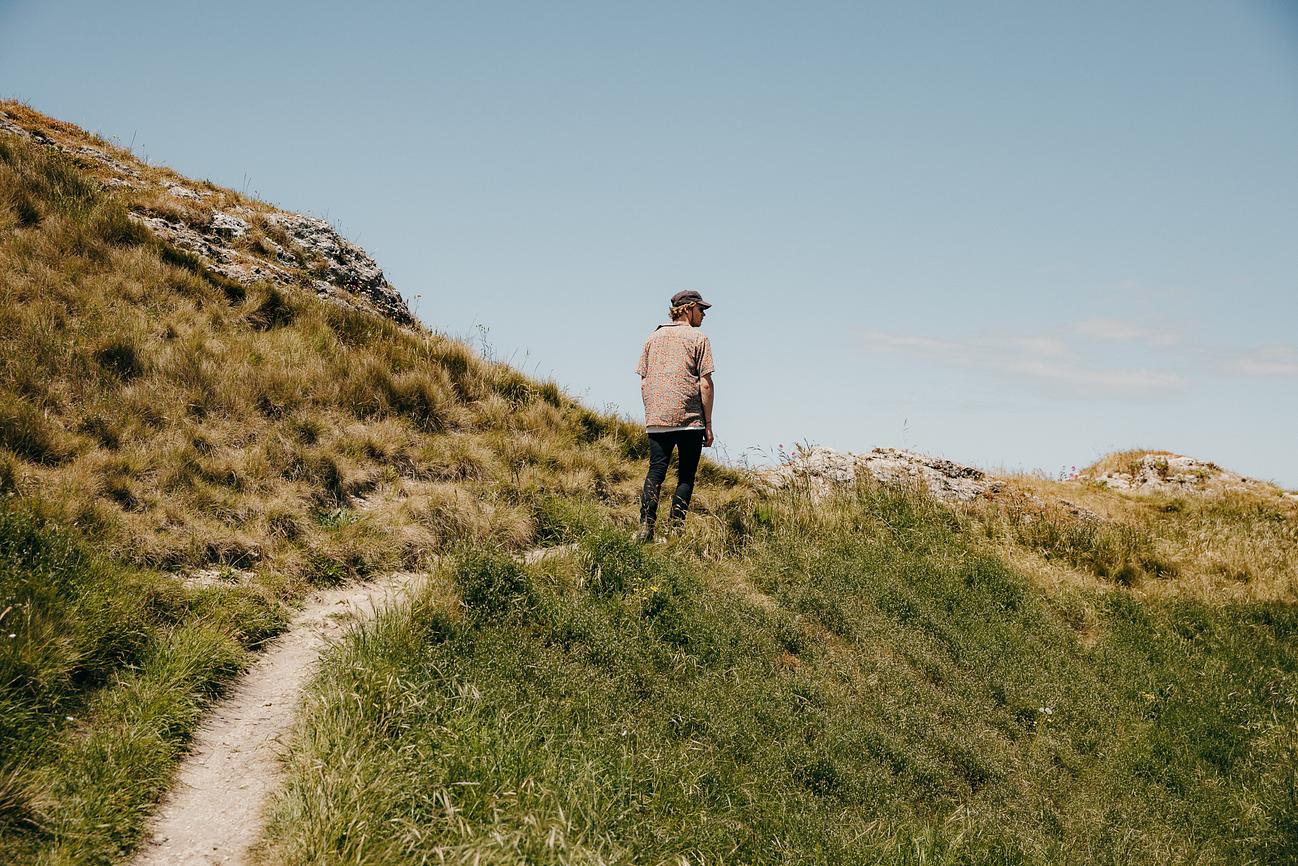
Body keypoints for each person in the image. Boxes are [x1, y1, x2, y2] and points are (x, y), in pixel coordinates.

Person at [634, 290, 715, 543]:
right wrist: (709, 424)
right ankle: (676, 531)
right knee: (686, 475)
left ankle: (645, 527)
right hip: (690, 419)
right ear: (688, 309)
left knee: (656, 471)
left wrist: (653, 411)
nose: (703, 315)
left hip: (657, 418)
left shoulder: (652, 338)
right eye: (701, 310)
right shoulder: (698, 338)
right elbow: (705, 384)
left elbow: (643, 379)